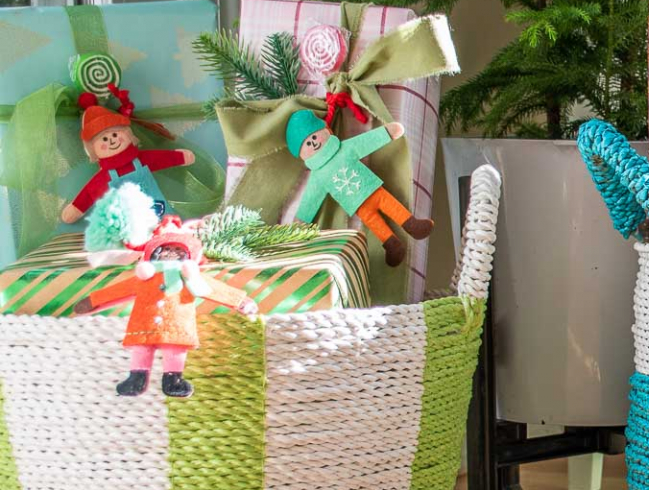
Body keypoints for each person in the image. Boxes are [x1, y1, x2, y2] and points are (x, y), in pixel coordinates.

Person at [73, 215, 257, 398]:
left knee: (174, 349)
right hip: (144, 325)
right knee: (141, 349)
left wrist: (241, 301)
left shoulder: (191, 278)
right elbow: (119, 290)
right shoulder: (145, 279)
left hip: (176, 326)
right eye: (163, 250)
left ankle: (173, 380)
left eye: (177, 251)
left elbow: (214, 289)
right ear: (152, 254)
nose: (169, 254)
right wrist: (92, 301)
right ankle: (136, 378)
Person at [287, 109, 433, 267]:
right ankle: (392, 246)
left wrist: (387, 133)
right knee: (374, 222)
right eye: (308, 143)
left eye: (314, 137)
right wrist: (300, 222)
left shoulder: (345, 149)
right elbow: (310, 199)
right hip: (357, 205)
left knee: (389, 205)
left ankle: (413, 225)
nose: (313, 143)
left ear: (324, 130)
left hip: (372, 189)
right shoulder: (318, 176)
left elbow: (366, 141)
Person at [60, 98, 193, 224]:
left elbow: (160, 158)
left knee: (168, 227)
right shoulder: (104, 177)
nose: (112, 140)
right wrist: (77, 207)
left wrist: (180, 157)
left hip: (160, 217)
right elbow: (89, 193)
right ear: (92, 148)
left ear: (127, 133)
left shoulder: (141, 160)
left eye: (114, 134)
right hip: (131, 227)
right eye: (104, 139)